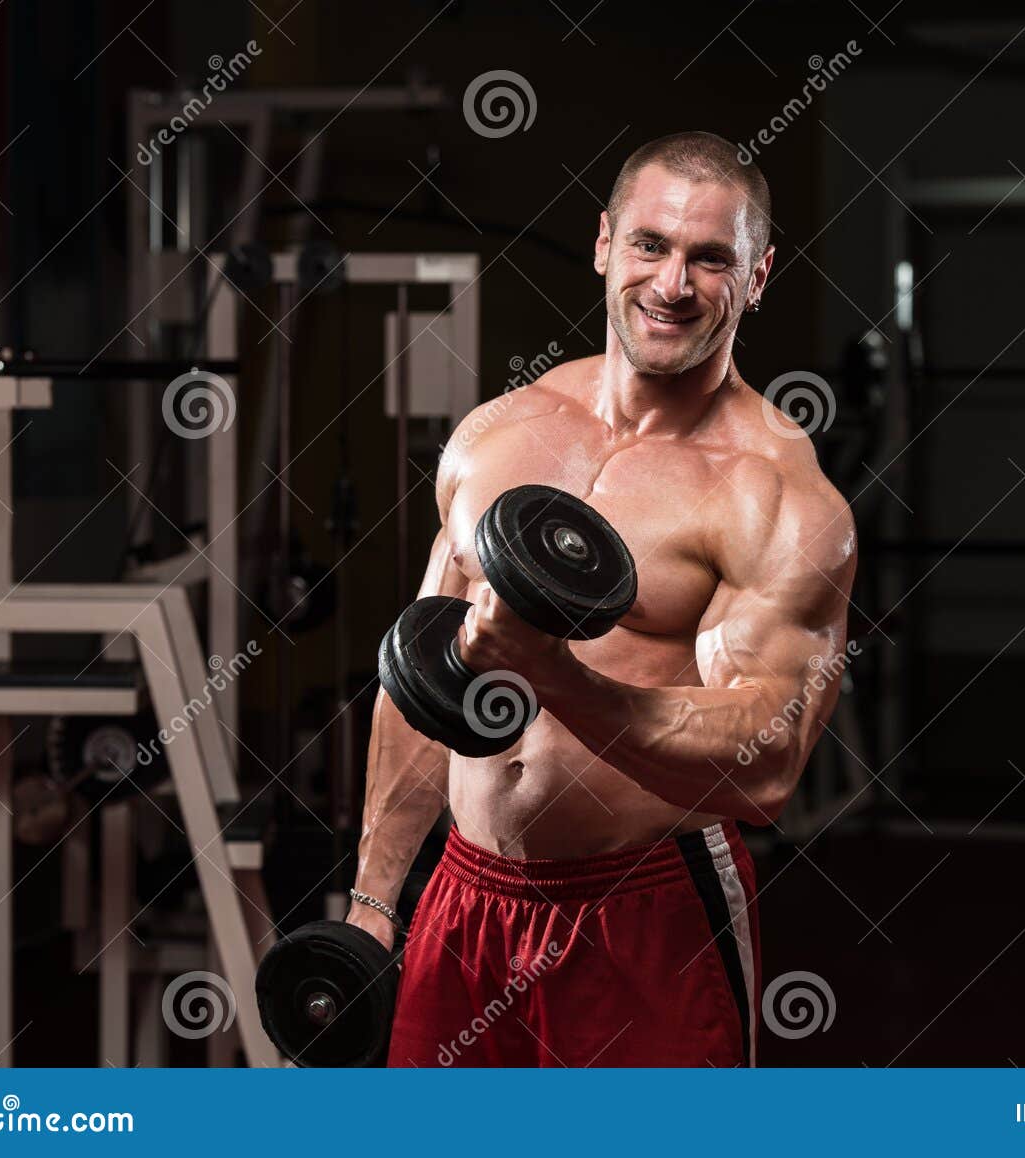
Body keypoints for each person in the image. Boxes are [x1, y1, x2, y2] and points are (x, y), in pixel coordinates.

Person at [348, 130, 856, 1066]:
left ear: (758, 276)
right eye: (651, 245)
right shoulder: (498, 434)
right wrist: (375, 904)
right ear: (603, 245)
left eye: (712, 259)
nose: (673, 285)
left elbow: (765, 762)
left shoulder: (773, 491)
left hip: (646, 908)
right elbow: (420, 689)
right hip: (462, 898)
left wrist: (555, 677)